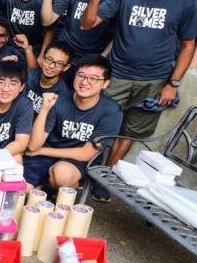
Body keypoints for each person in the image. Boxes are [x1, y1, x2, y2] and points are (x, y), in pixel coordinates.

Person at [81, 0, 197, 175]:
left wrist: (172, 84)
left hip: (155, 80)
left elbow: (188, 45)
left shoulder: (184, 1)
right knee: (97, 124)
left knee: (130, 132)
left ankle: (103, 175)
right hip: (117, 75)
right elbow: (87, 24)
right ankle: (82, 169)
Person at [24, 55, 124, 190]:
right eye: (81, 75)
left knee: (61, 174)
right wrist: (44, 109)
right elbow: (34, 145)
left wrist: (41, 151)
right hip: (45, 156)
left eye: (93, 78)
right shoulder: (60, 99)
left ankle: (53, 185)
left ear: (105, 83)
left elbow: (87, 153)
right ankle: (47, 185)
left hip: (76, 161)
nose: (84, 82)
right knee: (22, 188)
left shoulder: (111, 111)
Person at [24, 41, 72, 112]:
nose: (51, 66)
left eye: (59, 63)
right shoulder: (27, 75)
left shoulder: (63, 95)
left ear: (66, 67)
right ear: (42, 58)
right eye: (49, 59)